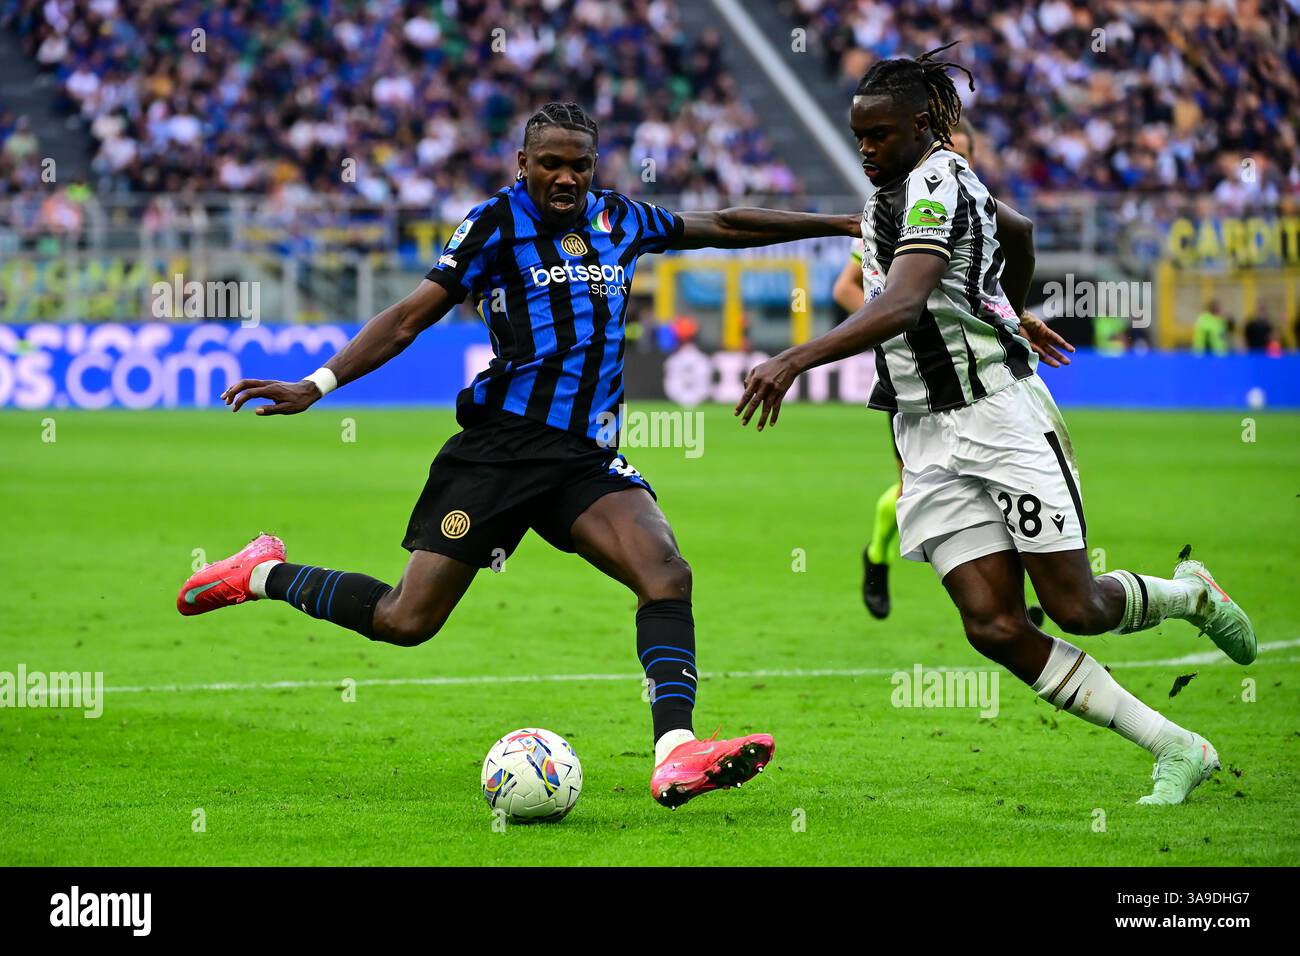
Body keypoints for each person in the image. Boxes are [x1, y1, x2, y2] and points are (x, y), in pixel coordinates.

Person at [177, 102, 861, 810]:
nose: (566, 178)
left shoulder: (620, 220)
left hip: (584, 458)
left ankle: (675, 751)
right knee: (404, 621)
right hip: (500, 451)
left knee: (666, 574)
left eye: (580, 165)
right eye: (552, 164)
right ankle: (261, 573)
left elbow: (726, 225)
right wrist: (316, 383)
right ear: (523, 165)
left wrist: (840, 223)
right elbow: (409, 317)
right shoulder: (494, 224)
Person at [735, 49, 1256, 805]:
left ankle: (1193, 596)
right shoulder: (906, 189)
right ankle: (1176, 745)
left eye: (878, 135)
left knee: (1077, 607)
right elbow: (1018, 231)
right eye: (859, 137)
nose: (866, 150)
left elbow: (906, 302)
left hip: (997, 417)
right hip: (923, 437)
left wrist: (793, 358)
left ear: (921, 126)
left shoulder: (939, 182)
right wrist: (1002, 305)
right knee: (993, 624)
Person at [830, 115, 1069, 620]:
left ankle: (1017, 595)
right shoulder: (895, 213)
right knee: (910, 486)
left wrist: (1015, 317)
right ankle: (876, 556)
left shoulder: (977, 209)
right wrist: (890, 321)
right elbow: (845, 288)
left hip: (983, 371)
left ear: (973, 159)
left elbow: (982, 288)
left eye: (960, 153)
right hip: (912, 378)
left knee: (1004, 478)